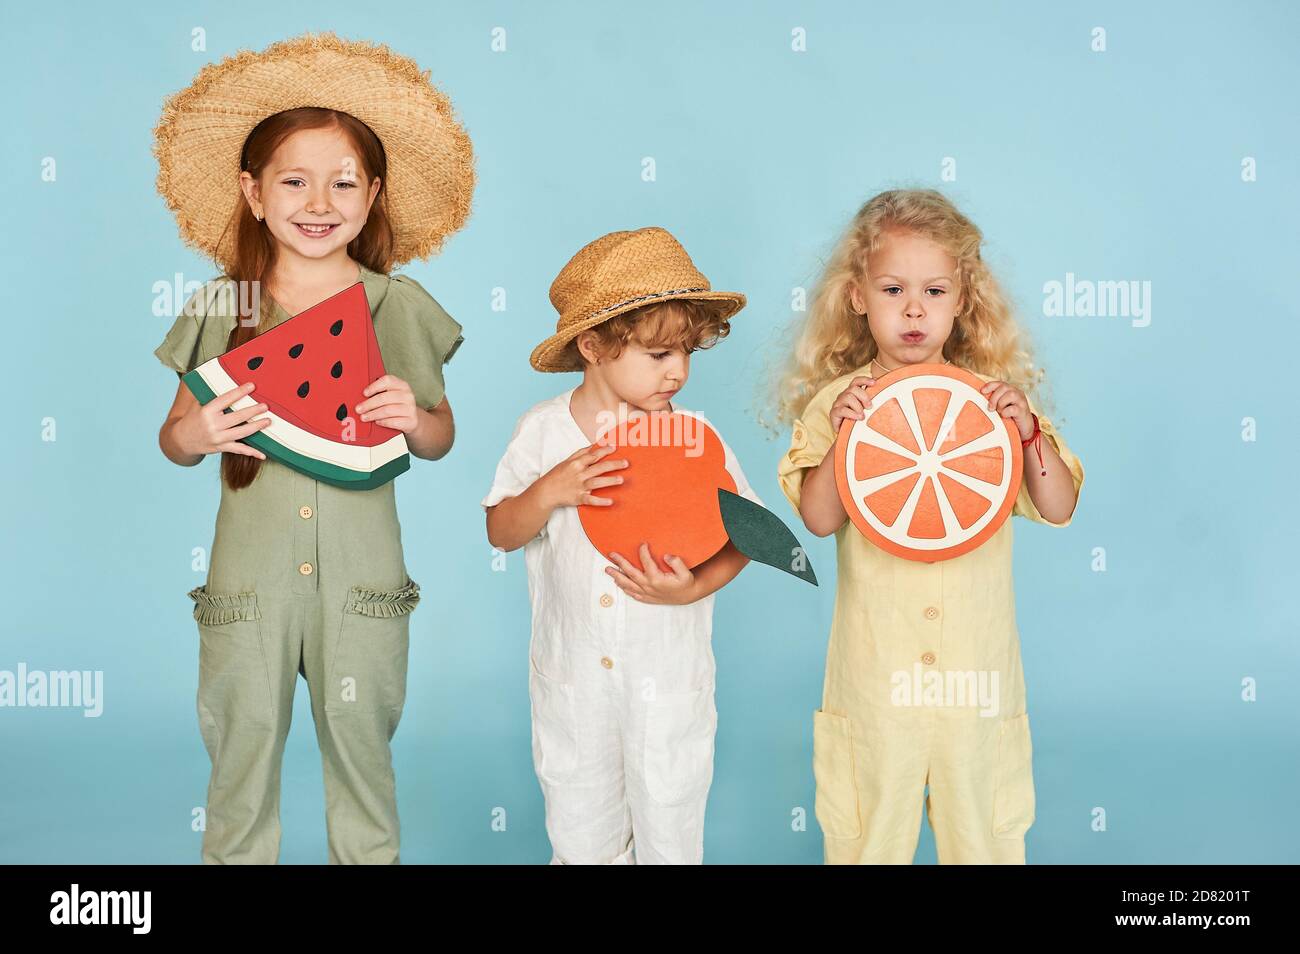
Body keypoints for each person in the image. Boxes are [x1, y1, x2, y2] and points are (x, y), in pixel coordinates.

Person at [152, 32, 472, 864]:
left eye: (344, 182)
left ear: (373, 194)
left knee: (361, 749)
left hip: (363, 580)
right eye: (294, 180)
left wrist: (415, 419)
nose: (319, 201)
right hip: (249, 585)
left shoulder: (396, 305)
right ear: (253, 192)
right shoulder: (224, 303)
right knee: (243, 748)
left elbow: (439, 436)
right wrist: (196, 433)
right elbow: (173, 439)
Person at [771, 189, 1084, 863]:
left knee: (985, 841)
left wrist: (1028, 432)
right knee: (868, 839)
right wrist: (845, 440)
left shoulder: (991, 406)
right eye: (893, 289)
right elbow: (819, 518)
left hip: (978, 683)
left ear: (962, 299)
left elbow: (1058, 506)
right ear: (857, 296)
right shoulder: (837, 405)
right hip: (875, 683)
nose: (914, 309)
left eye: (934, 291)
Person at [483, 226, 761, 864]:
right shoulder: (544, 433)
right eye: (659, 354)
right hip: (574, 681)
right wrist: (547, 492)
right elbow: (501, 531)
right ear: (594, 345)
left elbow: (748, 534)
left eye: (686, 352)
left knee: (670, 825)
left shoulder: (695, 439)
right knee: (582, 833)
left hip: (668, 677)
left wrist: (693, 587)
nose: (678, 371)